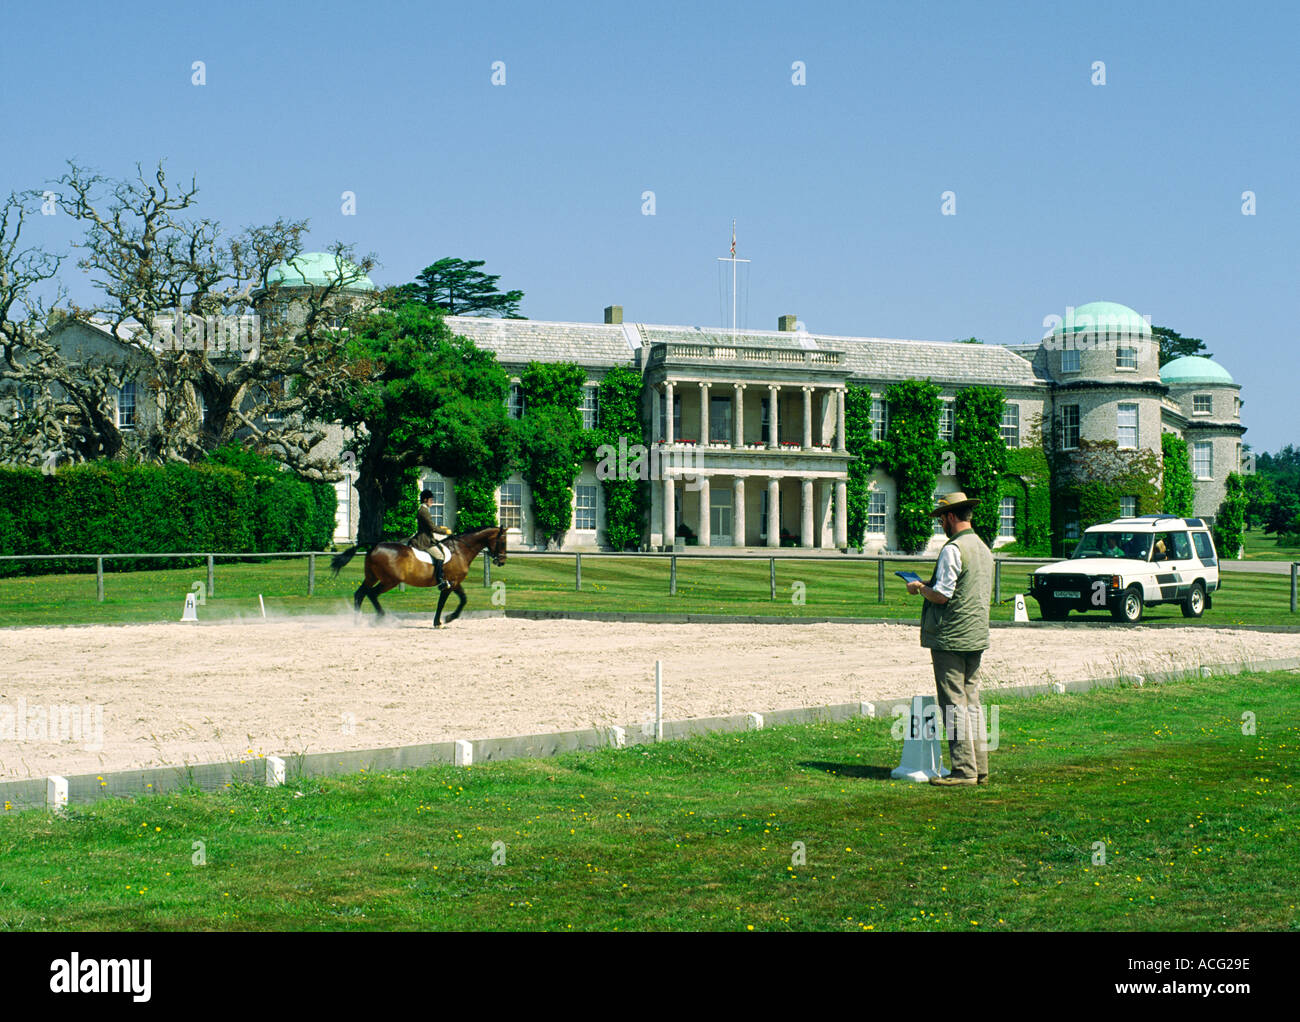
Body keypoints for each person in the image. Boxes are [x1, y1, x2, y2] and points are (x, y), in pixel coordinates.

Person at [906, 492, 994, 787]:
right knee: (972, 702)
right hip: (976, 634)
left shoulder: (952, 549)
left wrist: (919, 587)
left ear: (952, 517)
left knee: (953, 704)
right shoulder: (982, 547)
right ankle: (979, 767)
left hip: (951, 636)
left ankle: (963, 770)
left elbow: (942, 595)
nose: (941, 523)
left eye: (942, 518)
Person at [408, 489, 453, 590]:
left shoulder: (424, 510)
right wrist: (445, 532)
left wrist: (441, 528)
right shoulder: (423, 511)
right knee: (440, 556)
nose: (432, 501)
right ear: (425, 500)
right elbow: (431, 527)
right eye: (431, 499)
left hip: (428, 537)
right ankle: (440, 580)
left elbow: (430, 525)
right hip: (424, 541)